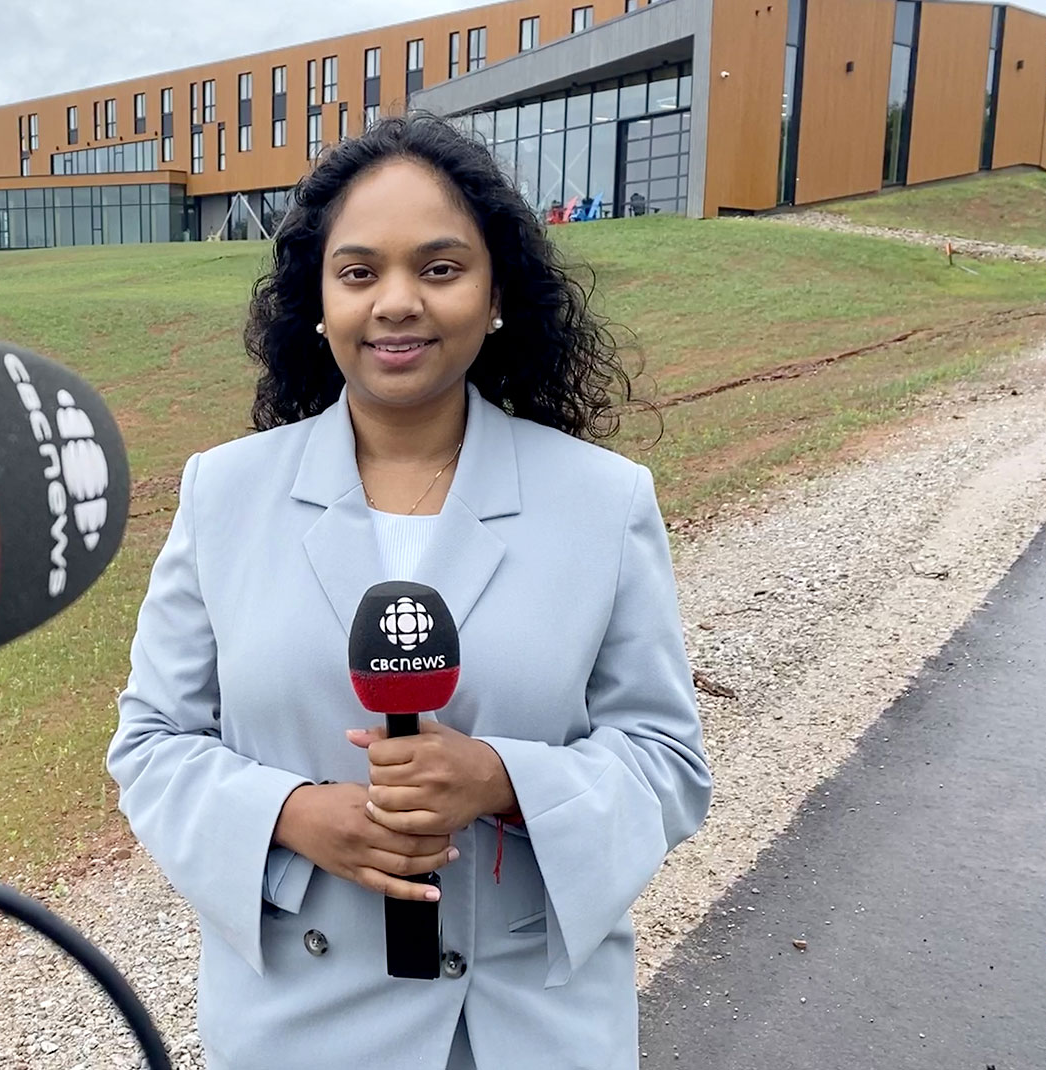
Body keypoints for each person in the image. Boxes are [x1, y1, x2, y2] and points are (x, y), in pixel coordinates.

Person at [107, 113, 711, 1070]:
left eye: (439, 268)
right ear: (318, 299)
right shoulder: (224, 495)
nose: (397, 302)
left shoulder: (603, 501)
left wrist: (502, 781)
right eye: (359, 272)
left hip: (534, 1030)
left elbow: (667, 763)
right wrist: (295, 816)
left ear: (496, 291)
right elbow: (151, 745)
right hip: (299, 1031)